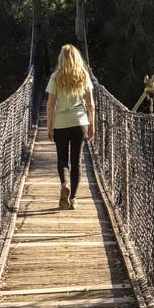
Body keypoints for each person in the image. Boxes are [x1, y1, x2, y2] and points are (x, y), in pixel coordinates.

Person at [46, 44, 95, 210]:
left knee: (62, 159)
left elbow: (50, 105)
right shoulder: (83, 75)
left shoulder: (55, 77)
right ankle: (73, 198)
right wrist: (92, 126)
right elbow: (91, 105)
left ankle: (64, 184)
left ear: (61, 58)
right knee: (77, 161)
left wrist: (49, 127)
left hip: (61, 124)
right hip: (80, 123)